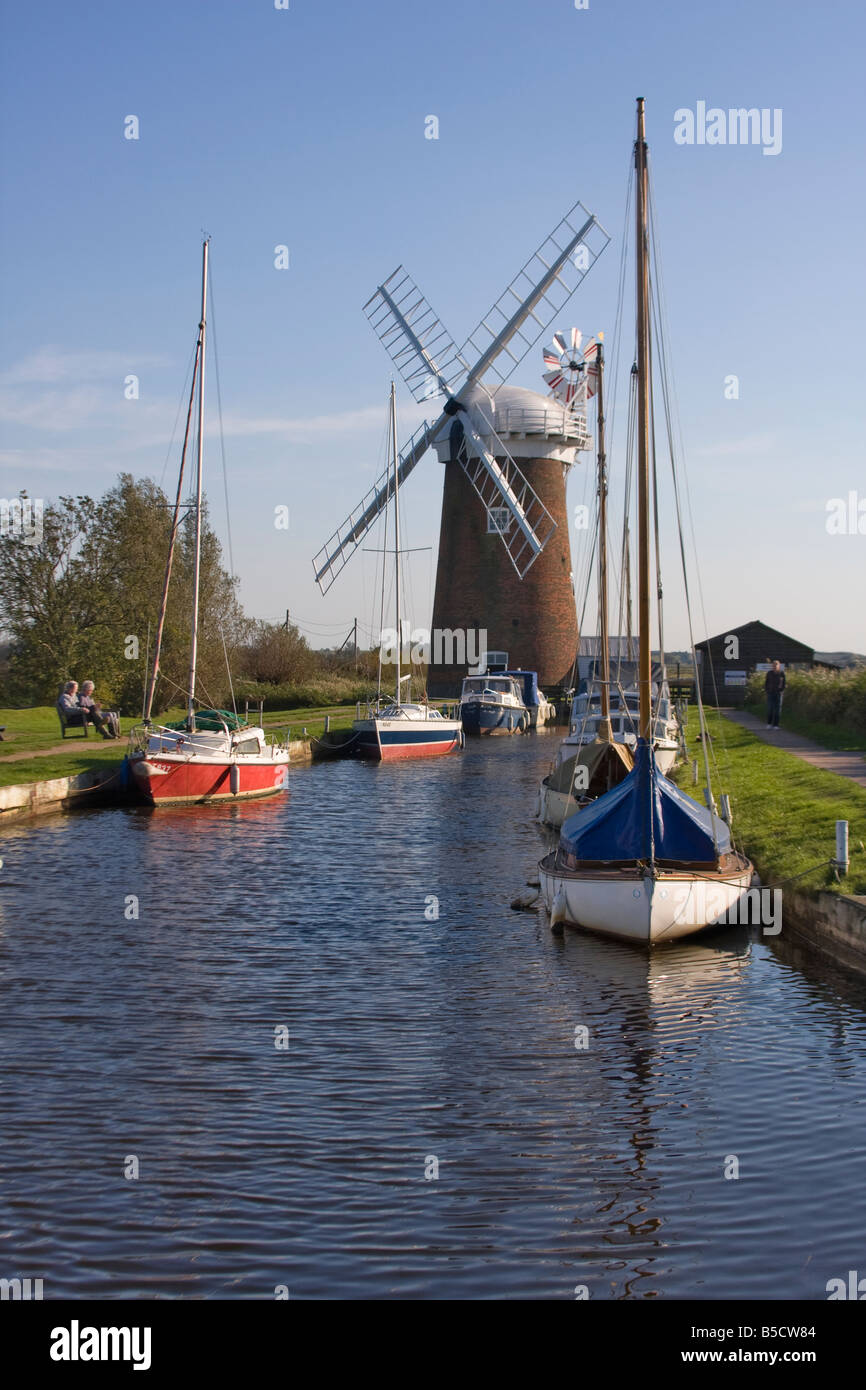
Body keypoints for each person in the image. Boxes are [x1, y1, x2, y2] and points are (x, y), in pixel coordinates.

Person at [764, 660, 786, 730]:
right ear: (772, 666)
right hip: (770, 693)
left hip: (778, 694)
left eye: (776, 665)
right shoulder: (769, 673)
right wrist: (767, 690)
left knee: (777, 710)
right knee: (770, 709)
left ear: (779, 666)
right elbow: (766, 683)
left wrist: (781, 690)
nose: (774, 666)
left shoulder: (781, 673)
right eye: (773, 665)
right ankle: (769, 724)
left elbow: (783, 683)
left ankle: (776, 725)